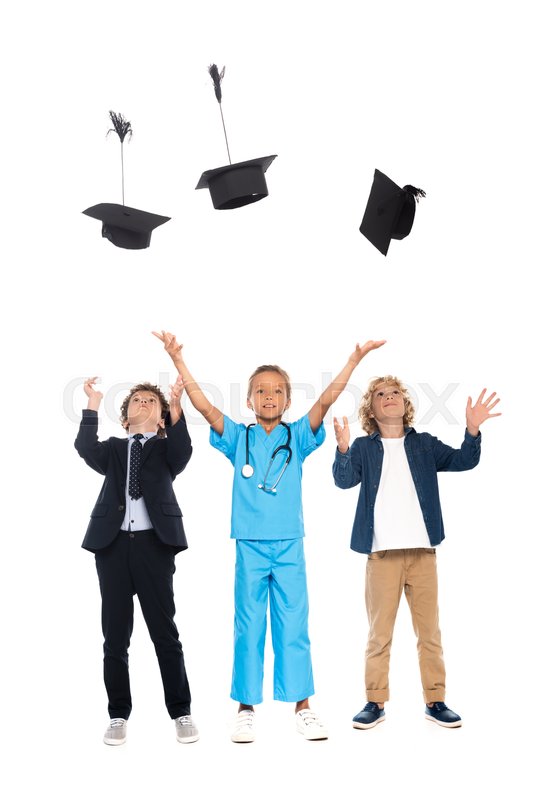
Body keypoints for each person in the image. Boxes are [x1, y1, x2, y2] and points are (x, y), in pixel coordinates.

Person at [153, 330, 385, 742]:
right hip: (250, 545)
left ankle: (303, 707)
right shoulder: (237, 437)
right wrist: (178, 362)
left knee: (294, 624)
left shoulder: (296, 435)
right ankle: (245, 708)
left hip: (289, 544)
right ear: (249, 400)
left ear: (287, 400)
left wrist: (353, 362)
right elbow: (204, 407)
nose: (269, 397)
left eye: (277, 391)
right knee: (249, 626)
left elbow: (326, 401)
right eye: (261, 391)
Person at [332, 377, 501, 729]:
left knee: (430, 633)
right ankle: (374, 702)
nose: (389, 397)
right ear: (372, 409)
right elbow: (344, 481)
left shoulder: (424, 444)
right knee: (379, 635)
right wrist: (344, 450)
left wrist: (472, 431)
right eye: (380, 394)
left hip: (423, 554)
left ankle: (435, 700)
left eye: (394, 393)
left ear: (404, 405)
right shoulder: (364, 447)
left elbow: (463, 461)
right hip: (381, 556)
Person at [75, 375, 199, 746]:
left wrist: (177, 412)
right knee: (115, 636)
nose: (143, 404)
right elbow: (84, 445)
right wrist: (93, 403)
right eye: (136, 401)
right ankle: (117, 714)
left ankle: (181, 711)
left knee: (165, 633)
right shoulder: (113, 449)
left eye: (151, 402)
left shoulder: (165, 451)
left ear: (161, 418)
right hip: (112, 546)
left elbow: (183, 451)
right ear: (125, 416)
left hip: (153, 547)